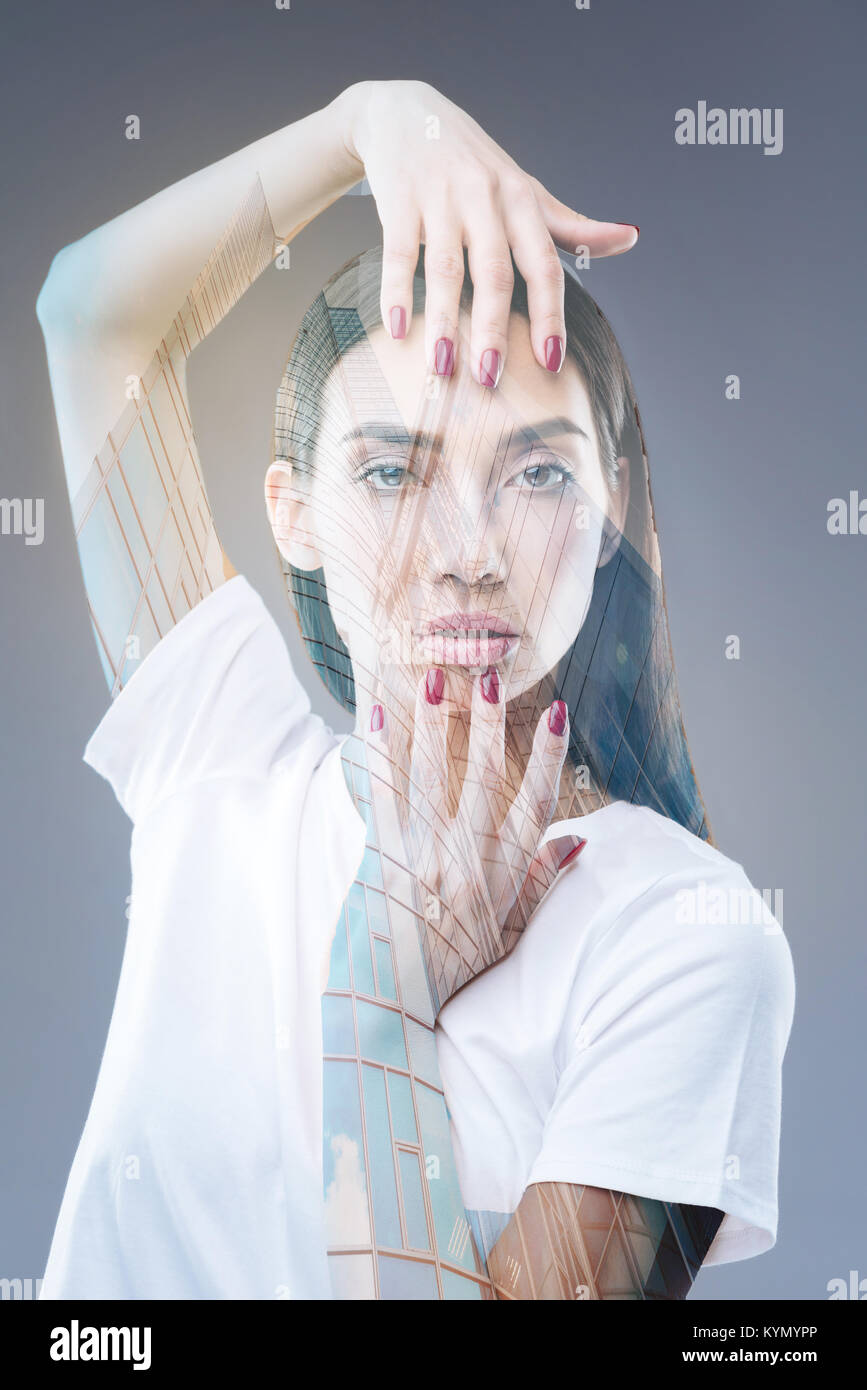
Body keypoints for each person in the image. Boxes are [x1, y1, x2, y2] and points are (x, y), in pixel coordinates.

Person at [35, 79, 795, 1300]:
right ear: (294, 515)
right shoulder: (218, 757)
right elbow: (90, 314)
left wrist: (380, 991)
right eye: (392, 470)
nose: (468, 550)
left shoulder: (686, 936)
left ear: (608, 519)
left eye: (538, 474)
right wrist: (362, 122)